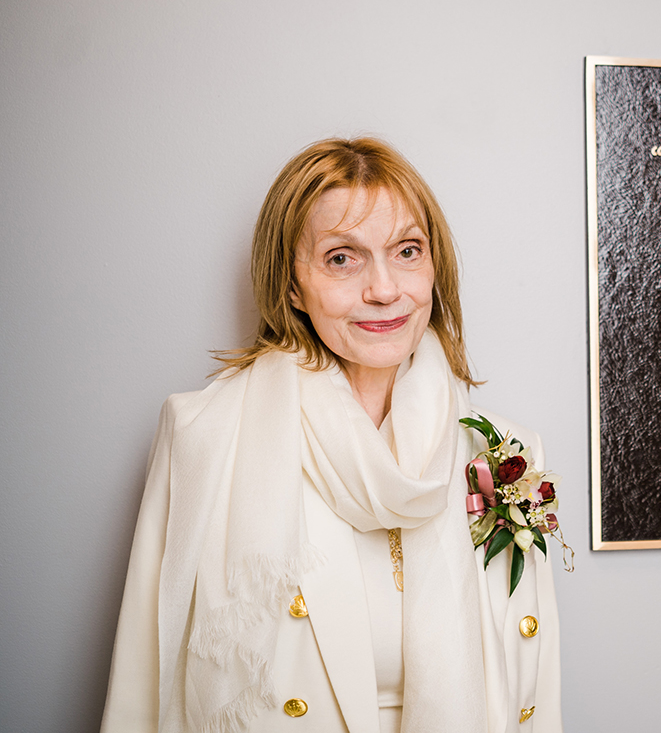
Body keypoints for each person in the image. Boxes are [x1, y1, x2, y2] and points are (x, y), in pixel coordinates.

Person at [100, 138, 562, 733]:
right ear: (291, 286)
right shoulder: (205, 435)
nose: (384, 289)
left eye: (407, 251)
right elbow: (144, 684)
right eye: (342, 258)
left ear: (434, 268)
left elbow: (539, 693)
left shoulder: (504, 455)